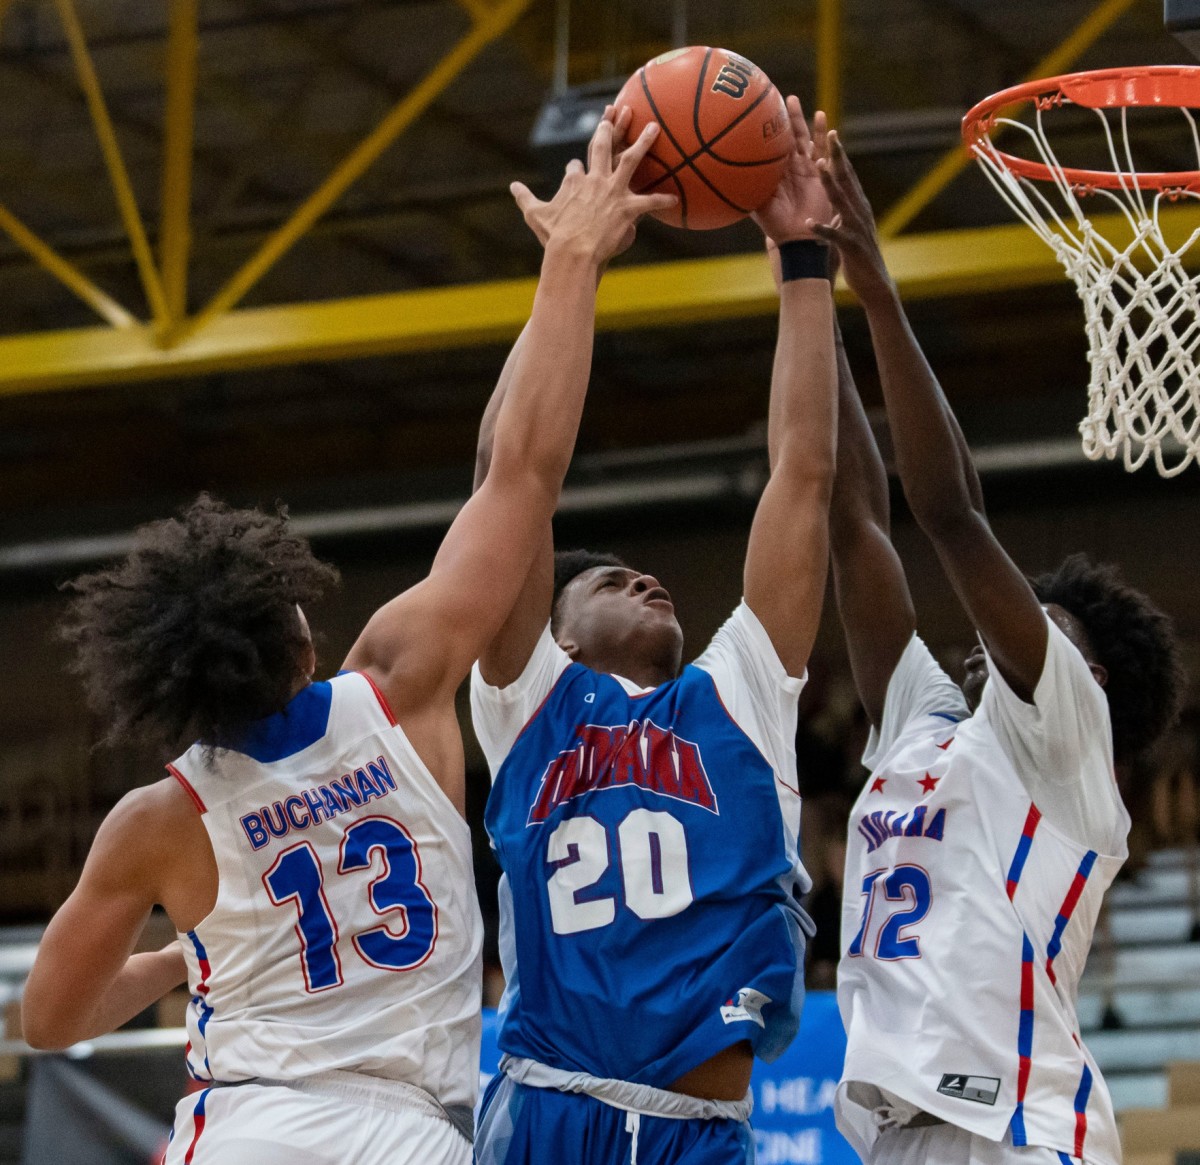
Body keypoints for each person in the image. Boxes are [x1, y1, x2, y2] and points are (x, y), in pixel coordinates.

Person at [19, 115, 676, 1165]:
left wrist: (160, 969)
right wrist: (571, 262)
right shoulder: (401, 683)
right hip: (411, 1136)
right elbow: (521, 474)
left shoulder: (157, 821)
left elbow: (46, 1021)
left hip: (251, 1128)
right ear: (299, 637)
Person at [469, 97, 837, 1164]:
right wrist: (570, 266)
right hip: (548, 1112)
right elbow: (510, 479)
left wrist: (803, 259)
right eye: (604, 582)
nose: (642, 576)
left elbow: (804, 477)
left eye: (646, 574)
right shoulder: (527, 698)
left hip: (700, 1133)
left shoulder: (740, 696)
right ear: (556, 634)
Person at [812, 129, 1185, 1165]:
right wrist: (808, 289)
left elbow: (949, 512)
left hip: (1018, 1135)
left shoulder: (1063, 746)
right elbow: (855, 524)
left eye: (1037, 616)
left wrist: (874, 288)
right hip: (900, 1135)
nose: (988, 632)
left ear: (1089, 681)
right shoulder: (924, 727)